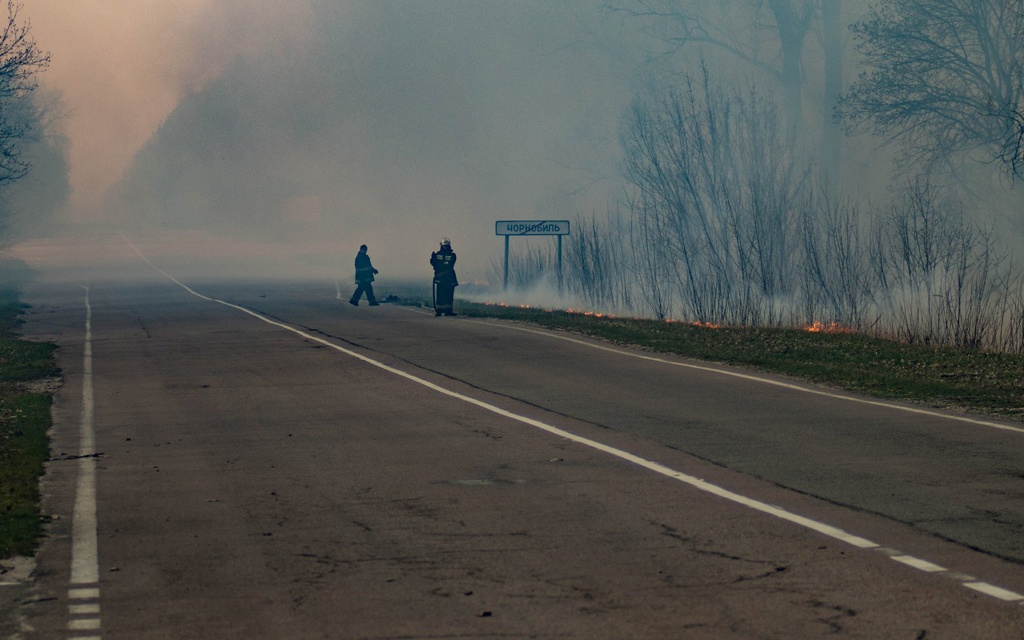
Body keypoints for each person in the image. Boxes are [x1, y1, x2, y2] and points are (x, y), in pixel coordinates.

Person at [430, 237, 458, 316]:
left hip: (449, 278)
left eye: (447, 246)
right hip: (440, 278)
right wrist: (432, 259)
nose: (445, 247)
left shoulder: (452, 255)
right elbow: (434, 264)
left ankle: (448, 311)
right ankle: (439, 310)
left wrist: (440, 265)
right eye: (444, 246)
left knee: (449, 295)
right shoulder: (437, 255)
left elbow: (450, 264)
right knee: (440, 294)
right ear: (441, 246)